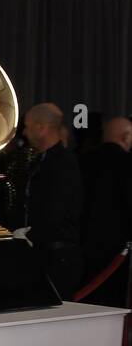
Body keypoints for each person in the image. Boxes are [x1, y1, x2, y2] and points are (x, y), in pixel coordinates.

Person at [23, 103, 85, 299]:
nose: (24, 132)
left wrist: (30, 234)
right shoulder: (44, 161)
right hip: (46, 253)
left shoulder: (62, 163)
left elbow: (55, 211)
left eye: (28, 126)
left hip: (57, 258)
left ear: (42, 127)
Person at [79, 116, 132, 307]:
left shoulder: (83, 159)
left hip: (82, 242)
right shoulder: (127, 163)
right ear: (126, 137)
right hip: (115, 248)